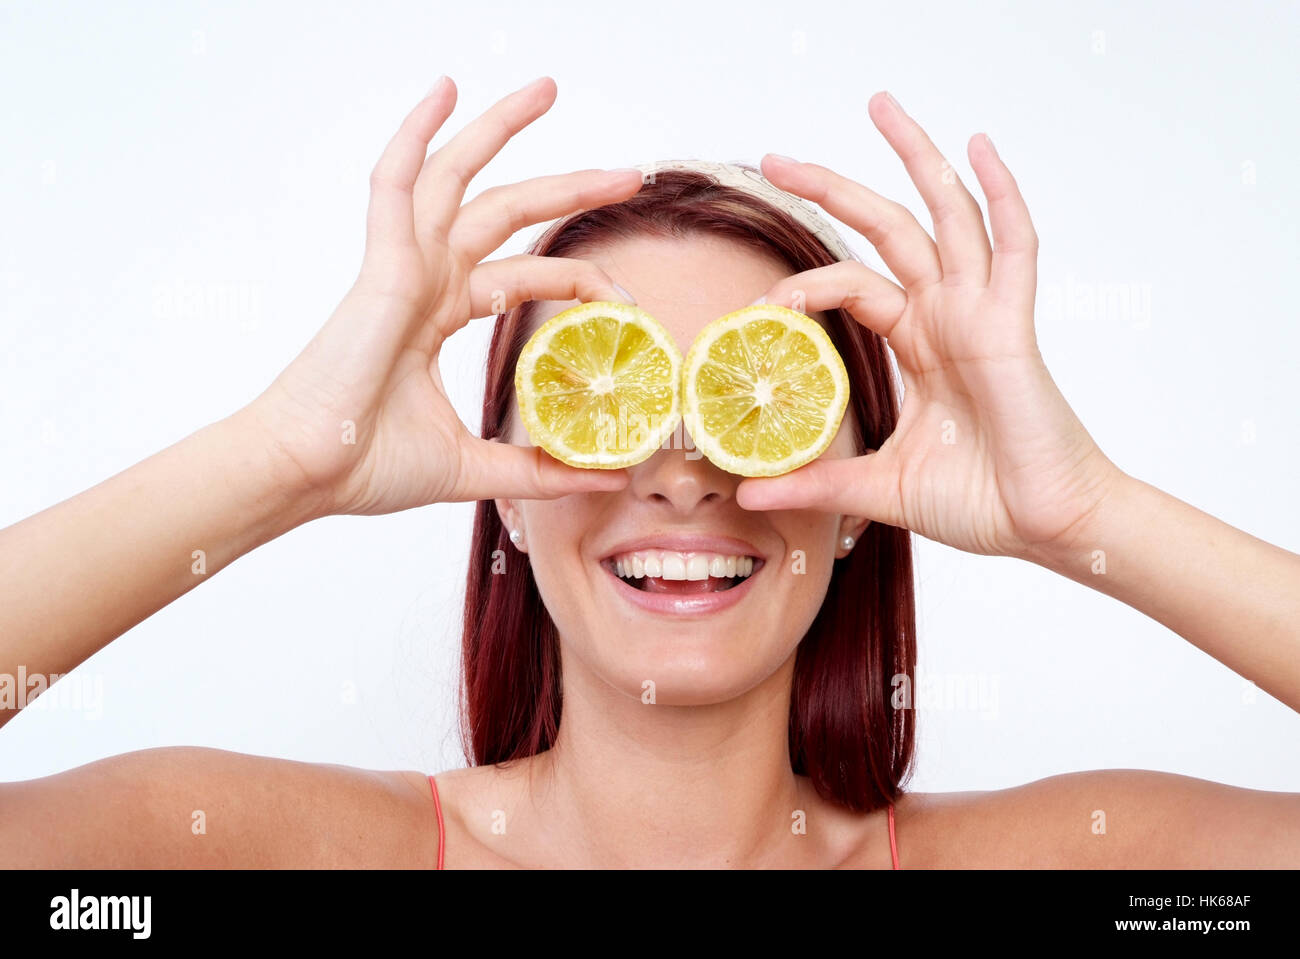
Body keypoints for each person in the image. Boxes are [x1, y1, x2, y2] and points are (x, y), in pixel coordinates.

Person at [1, 76, 1297, 868]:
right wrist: (282, 459)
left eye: (751, 406)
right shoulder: (248, 850)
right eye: (606, 405)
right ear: (502, 479)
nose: (681, 474)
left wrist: (1087, 515)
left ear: (861, 492)